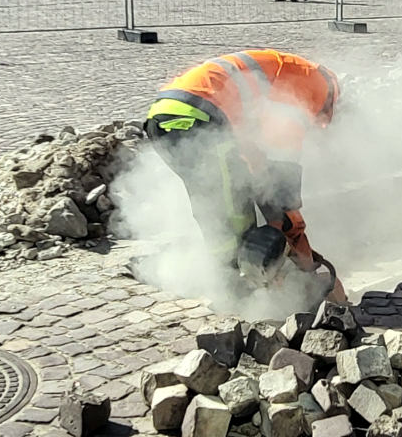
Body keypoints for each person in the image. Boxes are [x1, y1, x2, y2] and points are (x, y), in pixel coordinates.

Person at [144, 50, 345, 297]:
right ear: (330, 102)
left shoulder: (284, 73)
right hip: (199, 118)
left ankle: (231, 286)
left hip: (163, 119)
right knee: (236, 216)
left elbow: (256, 162)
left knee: (215, 208)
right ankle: (243, 294)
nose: (317, 126)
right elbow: (283, 168)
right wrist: (292, 228)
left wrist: (276, 214)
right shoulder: (315, 85)